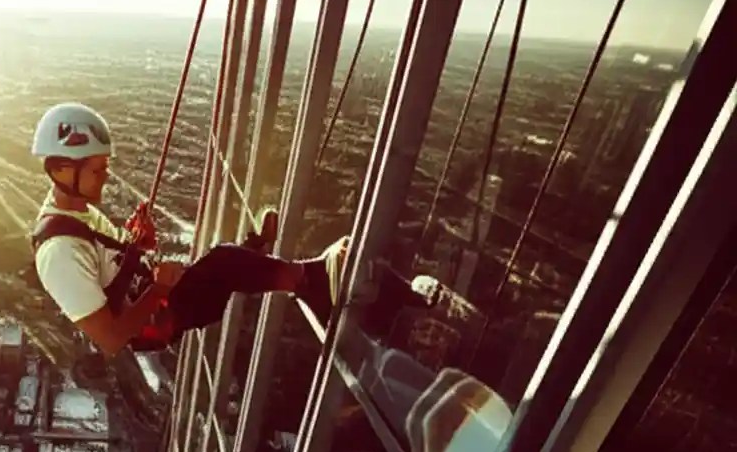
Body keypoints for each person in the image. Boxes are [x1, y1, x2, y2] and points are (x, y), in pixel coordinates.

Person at [30, 102, 452, 357]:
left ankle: (394, 298)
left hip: (155, 301)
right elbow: (108, 339)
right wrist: (158, 288)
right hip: (153, 316)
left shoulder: (81, 215)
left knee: (227, 264)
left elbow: (113, 273)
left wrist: (139, 245)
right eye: (98, 169)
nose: (106, 177)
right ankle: (315, 281)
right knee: (226, 262)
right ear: (63, 169)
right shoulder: (59, 252)